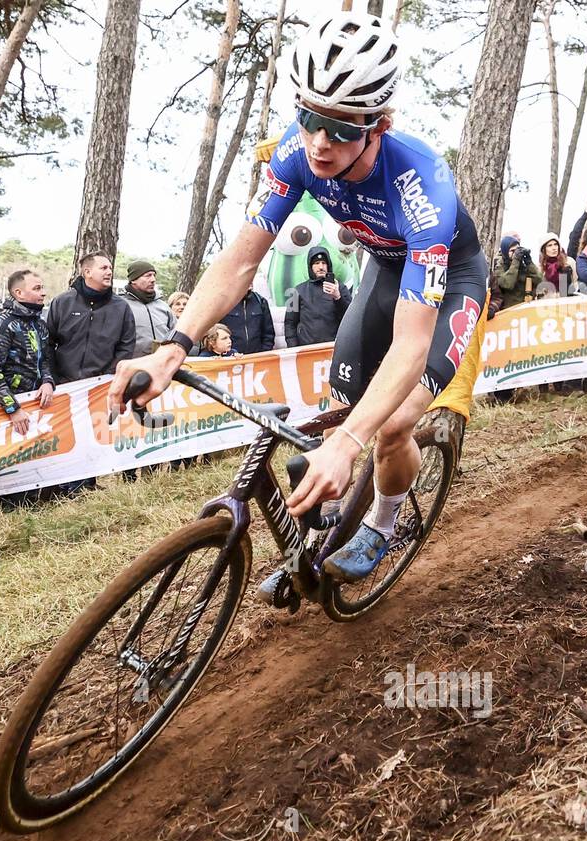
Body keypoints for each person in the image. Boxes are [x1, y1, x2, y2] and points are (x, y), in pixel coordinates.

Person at [107, 11, 487, 583]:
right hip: (384, 270)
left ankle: (384, 523)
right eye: (309, 117)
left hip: (447, 282)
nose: (318, 142)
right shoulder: (295, 151)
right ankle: (323, 532)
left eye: (340, 129)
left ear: (379, 125)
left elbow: (411, 345)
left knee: (387, 427)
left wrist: (351, 443)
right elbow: (239, 260)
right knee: (339, 407)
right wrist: (173, 345)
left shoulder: (422, 184)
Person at [0, 270, 55, 506]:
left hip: (35, 406)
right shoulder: (0, 325)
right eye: (36, 288)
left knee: (30, 465)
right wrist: (12, 408)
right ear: (18, 292)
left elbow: (44, 360)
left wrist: (47, 381)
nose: (43, 292)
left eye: (42, 287)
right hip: (4, 410)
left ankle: (23, 508)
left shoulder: (40, 324)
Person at [46, 253, 134, 384]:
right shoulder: (62, 302)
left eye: (110, 268)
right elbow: (48, 343)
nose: (109, 272)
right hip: (63, 385)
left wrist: (107, 376)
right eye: (104, 268)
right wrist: (52, 377)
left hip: (102, 387)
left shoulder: (122, 307)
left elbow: (126, 347)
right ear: (87, 272)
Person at [284, 245, 351, 347]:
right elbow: (289, 323)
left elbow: (350, 319)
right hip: (307, 350)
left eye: (324, 263)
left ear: (328, 266)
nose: (321, 267)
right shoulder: (296, 290)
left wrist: (338, 298)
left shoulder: (340, 288)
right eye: (316, 263)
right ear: (310, 266)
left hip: (333, 348)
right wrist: (293, 349)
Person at [121, 260, 177, 357]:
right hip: (131, 365)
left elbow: (176, 332)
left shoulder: (163, 306)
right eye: (148, 275)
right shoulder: (120, 305)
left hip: (163, 363)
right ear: (133, 280)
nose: (153, 279)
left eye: (154, 275)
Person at [493, 236, 543, 310]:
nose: (515, 253)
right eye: (512, 251)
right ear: (505, 252)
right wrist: (516, 260)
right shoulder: (499, 265)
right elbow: (507, 284)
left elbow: (539, 280)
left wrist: (529, 262)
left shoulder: (522, 265)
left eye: (517, 250)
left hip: (525, 308)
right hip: (507, 310)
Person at [220, 288, 275, 354]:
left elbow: (268, 332)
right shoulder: (223, 302)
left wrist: (264, 351)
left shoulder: (260, 301)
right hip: (231, 357)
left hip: (257, 356)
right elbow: (216, 331)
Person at [536, 232, 578, 298]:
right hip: (549, 302)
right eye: (549, 245)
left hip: (569, 298)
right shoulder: (540, 267)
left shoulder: (569, 261)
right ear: (543, 249)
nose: (554, 248)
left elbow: (575, 281)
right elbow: (540, 291)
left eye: (555, 244)